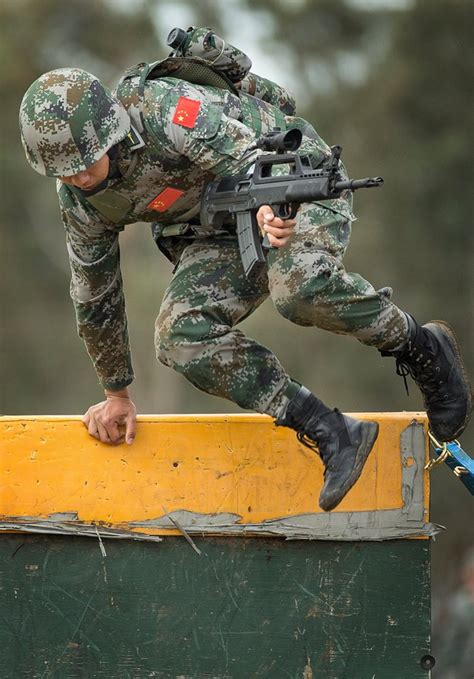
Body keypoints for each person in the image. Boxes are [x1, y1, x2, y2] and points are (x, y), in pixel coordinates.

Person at [19, 31, 471, 512]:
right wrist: (117, 393)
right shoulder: (81, 202)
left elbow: (253, 154)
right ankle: (330, 431)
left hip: (292, 179)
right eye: (63, 172)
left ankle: (419, 345)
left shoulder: (162, 109)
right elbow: (94, 296)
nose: (77, 178)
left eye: (84, 163)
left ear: (108, 131)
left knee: (298, 290)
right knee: (179, 337)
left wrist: (272, 207)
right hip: (216, 229)